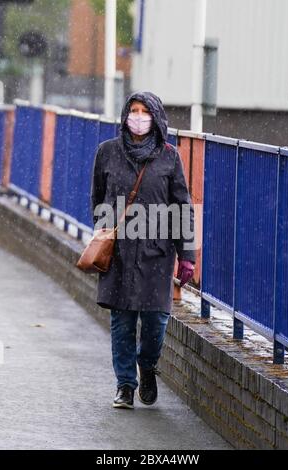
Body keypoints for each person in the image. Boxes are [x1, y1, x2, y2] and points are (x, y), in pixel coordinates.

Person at [91, 91, 196, 409]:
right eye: (133, 111)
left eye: (144, 111)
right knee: (122, 322)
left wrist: (187, 254)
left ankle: (147, 365)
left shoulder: (169, 156)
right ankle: (125, 385)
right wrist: (104, 232)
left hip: (156, 254)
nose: (137, 117)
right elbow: (98, 198)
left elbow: (182, 207)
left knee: (156, 322)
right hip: (120, 253)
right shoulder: (107, 152)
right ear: (124, 115)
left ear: (156, 117)